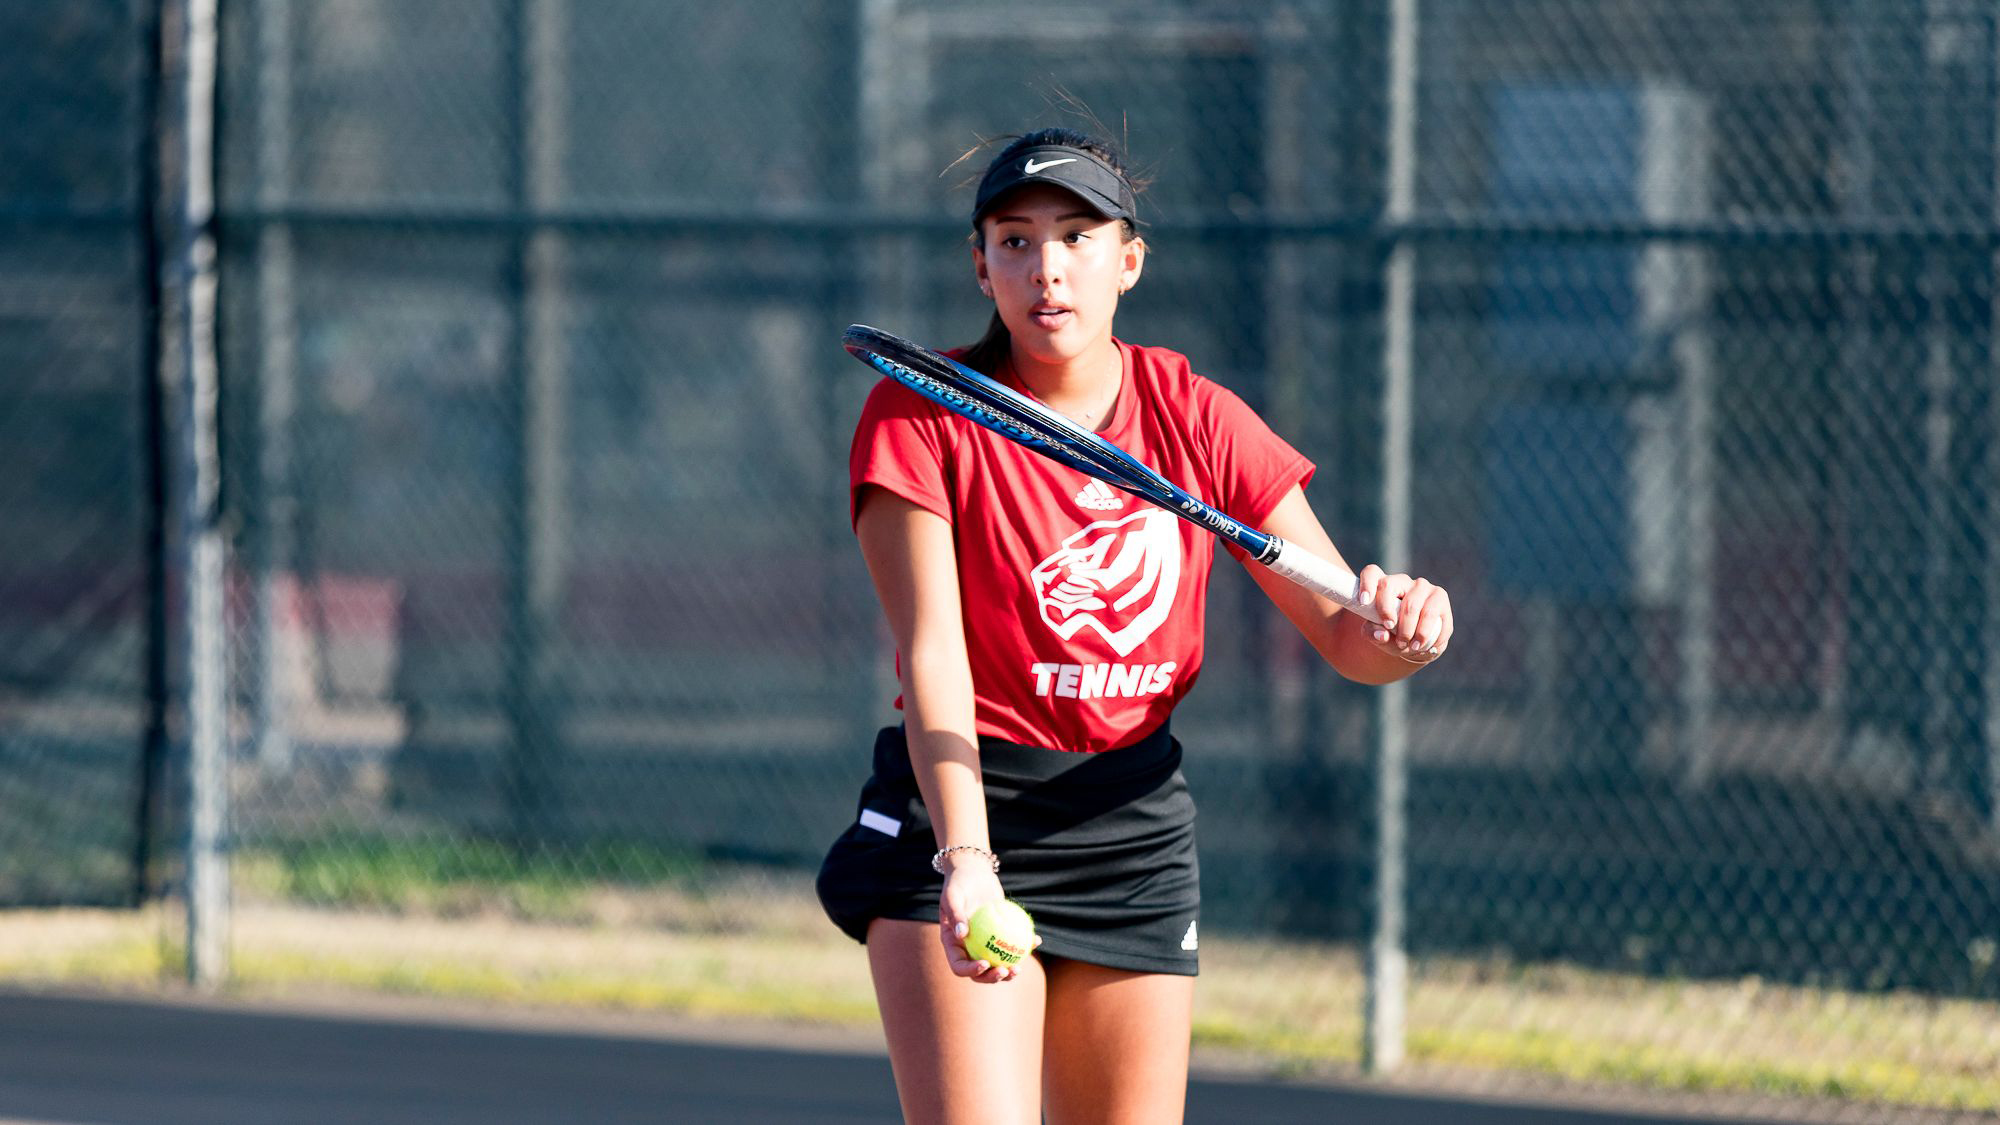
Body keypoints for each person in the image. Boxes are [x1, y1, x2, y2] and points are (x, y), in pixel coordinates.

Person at [817, 126, 1453, 1125]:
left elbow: (1348, 640)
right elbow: (934, 654)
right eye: (1016, 240)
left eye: (1077, 237)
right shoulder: (920, 416)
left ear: (1129, 261)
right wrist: (968, 864)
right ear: (981, 266)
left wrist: (1407, 634)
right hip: (963, 807)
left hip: (1130, 830)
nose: (1047, 267)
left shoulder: (1198, 417)